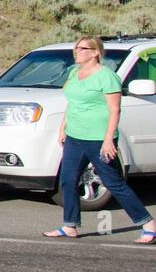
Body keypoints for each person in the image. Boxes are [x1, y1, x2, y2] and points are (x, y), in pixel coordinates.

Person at [44, 36, 156, 244]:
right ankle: (70, 225)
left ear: (96, 52)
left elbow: (115, 110)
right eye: (76, 47)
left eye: (82, 48)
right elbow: (72, 102)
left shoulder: (107, 77)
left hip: (98, 138)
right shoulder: (74, 73)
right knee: (67, 181)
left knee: (113, 182)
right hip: (75, 136)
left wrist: (107, 141)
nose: (76, 51)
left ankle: (148, 224)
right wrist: (63, 127)